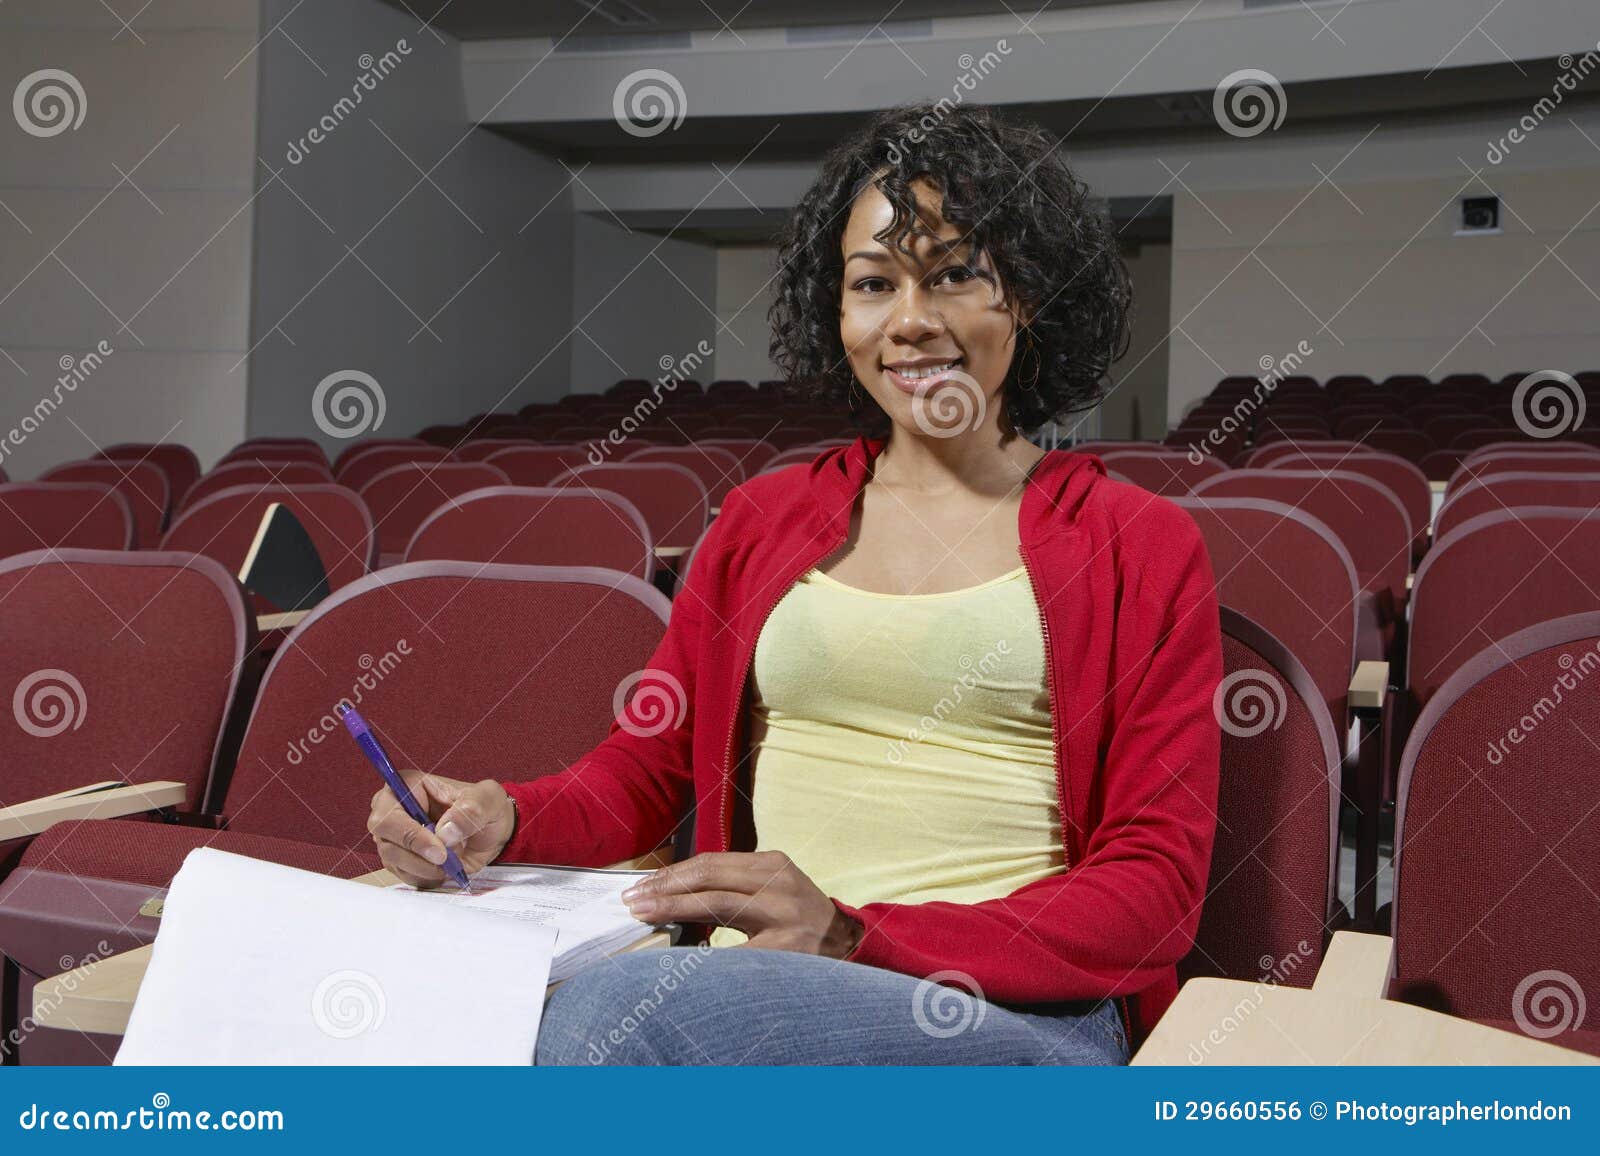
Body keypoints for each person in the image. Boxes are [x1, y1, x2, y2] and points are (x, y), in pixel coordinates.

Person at [366, 102, 1222, 1065]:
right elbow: (647, 768)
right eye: (874, 284)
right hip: (739, 994)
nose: (910, 321)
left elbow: (1152, 890)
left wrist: (856, 935)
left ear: (1025, 296)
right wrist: (506, 815)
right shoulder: (761, 521)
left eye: (952, 275)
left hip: (1013, 1016)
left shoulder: (1137, 544)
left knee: (612, 1024)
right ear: (838, 312)